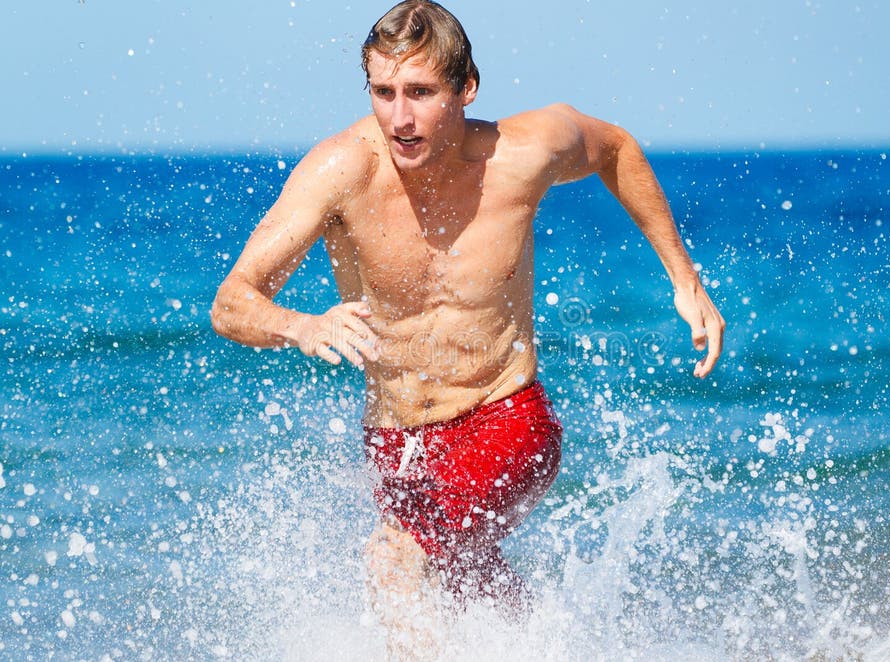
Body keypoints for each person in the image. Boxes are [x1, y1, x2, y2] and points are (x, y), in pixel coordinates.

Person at [211, 0, 724, 654]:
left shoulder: (522, 154)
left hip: (504, 418)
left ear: (465, 88)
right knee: (463, 582)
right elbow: (232, 302)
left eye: (421, 93)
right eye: (384, 92)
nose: (400, 117)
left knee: (396, 560)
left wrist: (686, 282)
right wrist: (298, 326)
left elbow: (616, 148)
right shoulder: (341, 171)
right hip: (394, 443)